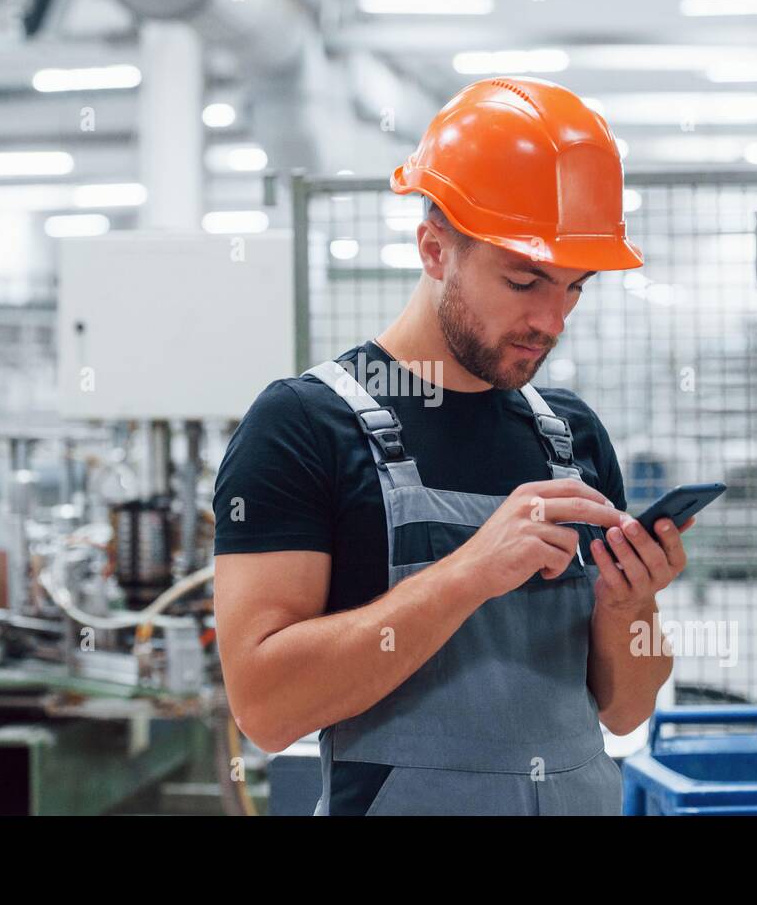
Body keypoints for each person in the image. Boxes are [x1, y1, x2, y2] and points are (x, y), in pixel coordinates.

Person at [213, 76, 695, 815]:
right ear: (435, 249)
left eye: (574, 287)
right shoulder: (303, 428)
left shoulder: (572, 440)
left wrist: (631, 606)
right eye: (525, 279)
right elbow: (266, 711)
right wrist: (467, 573)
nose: (552, 319)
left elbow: (624, 710)